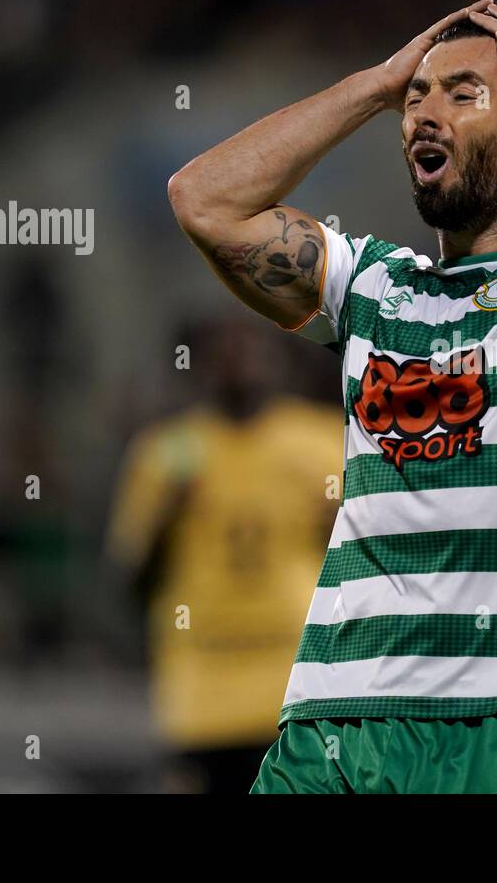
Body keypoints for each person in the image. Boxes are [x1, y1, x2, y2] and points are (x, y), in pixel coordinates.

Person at [168, 0, 497, 793]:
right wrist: (377, 84)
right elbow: (205, 199)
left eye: (463, 95)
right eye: (417, 101)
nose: (424, 117)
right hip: (335, 727)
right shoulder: (371, 286)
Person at [106, 317, 341, 792]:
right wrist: (166, 519)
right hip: (201, 692)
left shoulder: (323, 443)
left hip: (295, 682)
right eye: (222, 351)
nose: (238, 362)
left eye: (251, 349)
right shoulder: (167, 452)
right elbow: (128, 579)